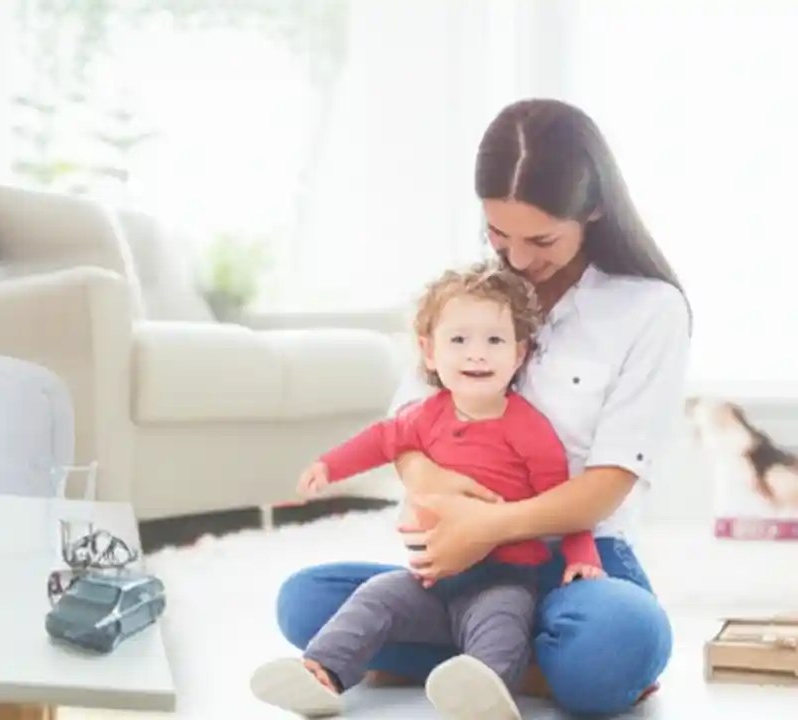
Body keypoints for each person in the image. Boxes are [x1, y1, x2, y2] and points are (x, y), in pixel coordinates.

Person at [273, 98, 691, 717]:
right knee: (304, 603)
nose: (518, 259)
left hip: (580, 562)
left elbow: (606, 487)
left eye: (541, 238)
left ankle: (514, 659)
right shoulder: (472, 294)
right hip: (464, 569)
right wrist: (445, 502)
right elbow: (406, 434)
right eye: (499, 233)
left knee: (616, 639)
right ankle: (523, 665)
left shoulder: (649, 310)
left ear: (595, 208)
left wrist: (491, 525)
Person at [250, 261, 603, 719]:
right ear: (429, 352)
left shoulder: (530, 430)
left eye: (494, 341)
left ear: (519, 354)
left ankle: (485, 693)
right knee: (376, 595)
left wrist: (582, 554)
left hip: (502, 579)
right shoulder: (424, 415)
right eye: (459, 340)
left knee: (501, 625)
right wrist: (330, 465)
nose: (477, 354)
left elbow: (561, 503)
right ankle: (322, 673)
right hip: (430, 582)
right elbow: (380, 440)